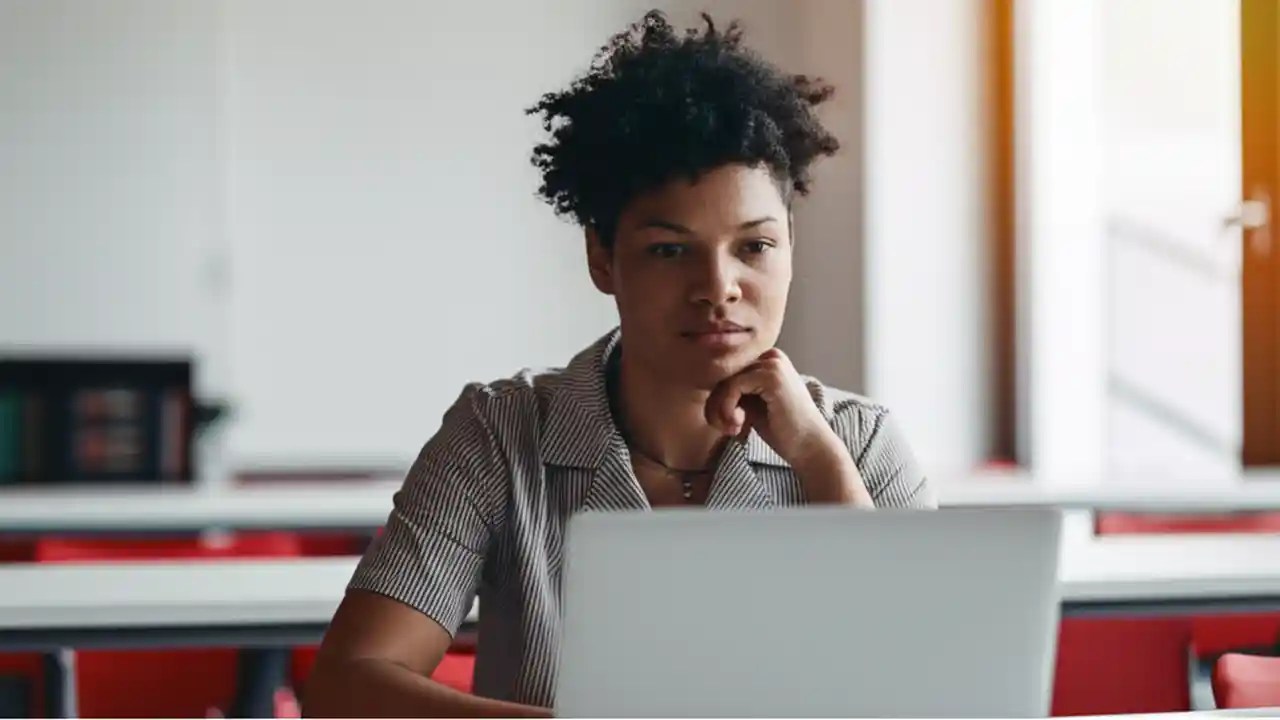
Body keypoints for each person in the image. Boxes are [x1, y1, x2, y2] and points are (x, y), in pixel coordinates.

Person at [303, 10, 935, 718]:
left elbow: (931, 695)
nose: (718, 286)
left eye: (754, 247)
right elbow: (345, 689)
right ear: (602, 256)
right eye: (671, 249)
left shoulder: (862, 442)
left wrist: (821, 460)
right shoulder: (500, 431)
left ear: (790, 241)